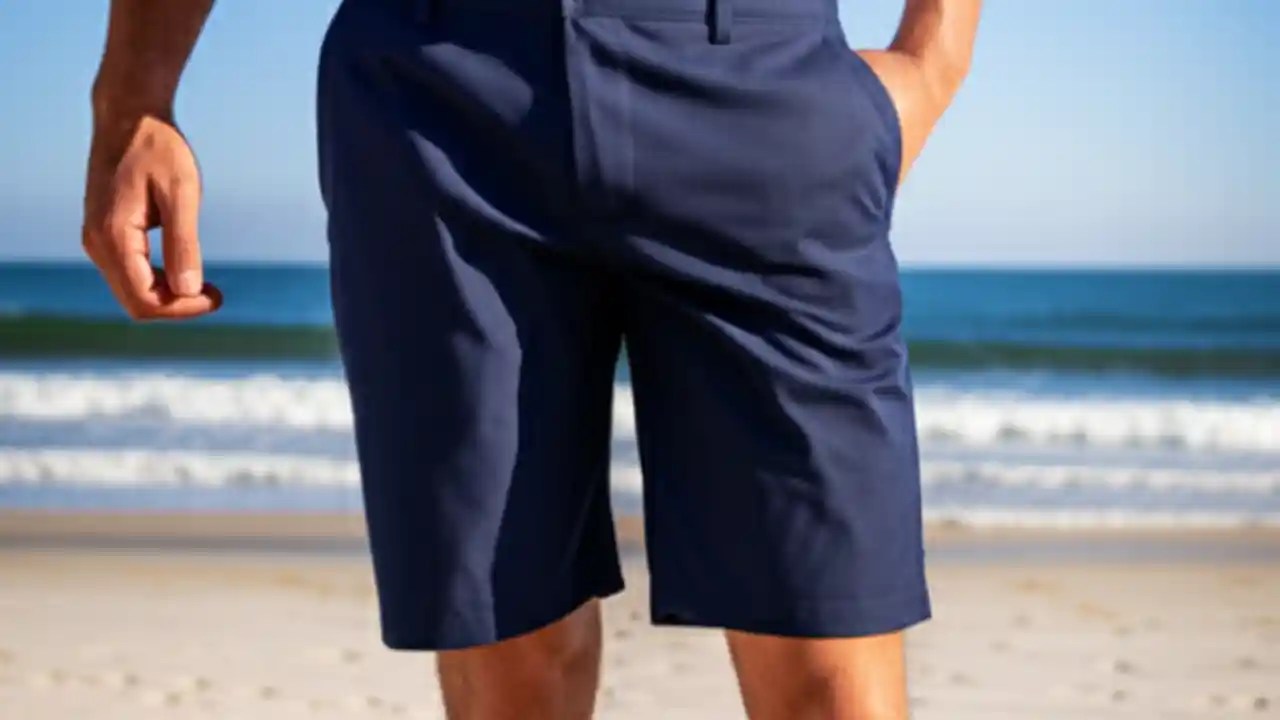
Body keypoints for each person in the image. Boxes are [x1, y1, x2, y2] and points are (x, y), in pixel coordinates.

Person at [82, 0, 980, 716]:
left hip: (762, 83)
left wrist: (934, 56)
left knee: (828, 663)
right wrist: (134, 97)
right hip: (436, 97)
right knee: (514, 654)